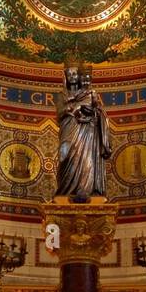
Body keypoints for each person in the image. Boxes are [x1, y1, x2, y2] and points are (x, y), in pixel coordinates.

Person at [55, 64, 111, 201]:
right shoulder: (61, 95)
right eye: (70, 75)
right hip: (69, 127)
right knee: (65, 156)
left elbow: (99, 111)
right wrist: (73, 109)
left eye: (75, 74)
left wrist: (92, 112)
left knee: (87, 160)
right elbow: (60, 113)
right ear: (66, 78)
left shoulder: (90, 93)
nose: (73, 77)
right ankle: (65, 191)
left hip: (88, 131)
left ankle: (85, 189)